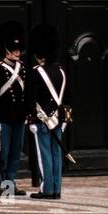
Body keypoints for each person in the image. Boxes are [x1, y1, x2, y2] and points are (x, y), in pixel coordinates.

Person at [26, 25, 69, 200]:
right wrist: (64, 120)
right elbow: (68, 98)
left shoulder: (36, 72)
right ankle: (57, 188)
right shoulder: (61, 71)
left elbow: (30, 99)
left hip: (41, 120)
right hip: (58, 119)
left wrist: (31, 119)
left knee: (44, 155)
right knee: (56, 154)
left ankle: (47, 189)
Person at [0, 22, 27, 196]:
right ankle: (3, 185)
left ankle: (10, 183)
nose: (18, 52)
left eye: (19, 49)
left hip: (19, 117)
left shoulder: (22, 68)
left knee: (15, 153)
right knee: (4, 153)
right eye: (14, 49)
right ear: (7, 50)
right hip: (4, 117)